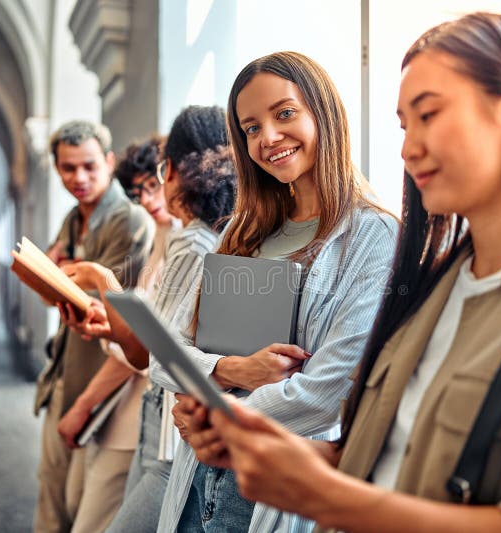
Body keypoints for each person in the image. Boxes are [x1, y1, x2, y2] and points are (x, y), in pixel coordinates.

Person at [198, 13, 501, 533]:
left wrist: (324, 493)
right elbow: (388, 461)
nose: (408, 147)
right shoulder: (436, 282)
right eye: (403, 124)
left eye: (430, 115)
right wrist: (250, 432)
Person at [151, 52, 399, 533]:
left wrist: (212, 414)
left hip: (271, 495)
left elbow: (324, 394)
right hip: (197, 482)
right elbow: (163, 357)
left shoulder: (373, 236)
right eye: (250, 128)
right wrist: (228, 370)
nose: (267, 138)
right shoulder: (241, 234)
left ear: (322, 112)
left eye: (284, 113)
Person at [59, 106, 237, 533]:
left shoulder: (193, 240)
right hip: (161, 429)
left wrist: (104, 282)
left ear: (172, 170)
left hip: (170, 442)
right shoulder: (218, 236)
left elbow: (150, 355)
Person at [48, 135, 178, 533]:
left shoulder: (185, 240)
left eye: (154, 185)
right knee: (76, 502)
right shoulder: (161, 236)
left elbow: (150, 344)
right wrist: (112, 323)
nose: (149, 199)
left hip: (147, 408)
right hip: (134, 408)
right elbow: (138, 331)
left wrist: (84, 403)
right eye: (139, 190)